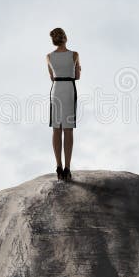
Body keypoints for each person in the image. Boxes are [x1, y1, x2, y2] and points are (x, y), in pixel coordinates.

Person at [46, 27, 81, 181]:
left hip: (56, 90)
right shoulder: (74, 55)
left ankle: (58, 166)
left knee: (56, 129)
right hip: (69, 89)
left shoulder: (48, 57)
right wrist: (78, 69)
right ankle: (67, 168)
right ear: (65, 38)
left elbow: (52, 77)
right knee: (68, 130)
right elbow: (77, 76)